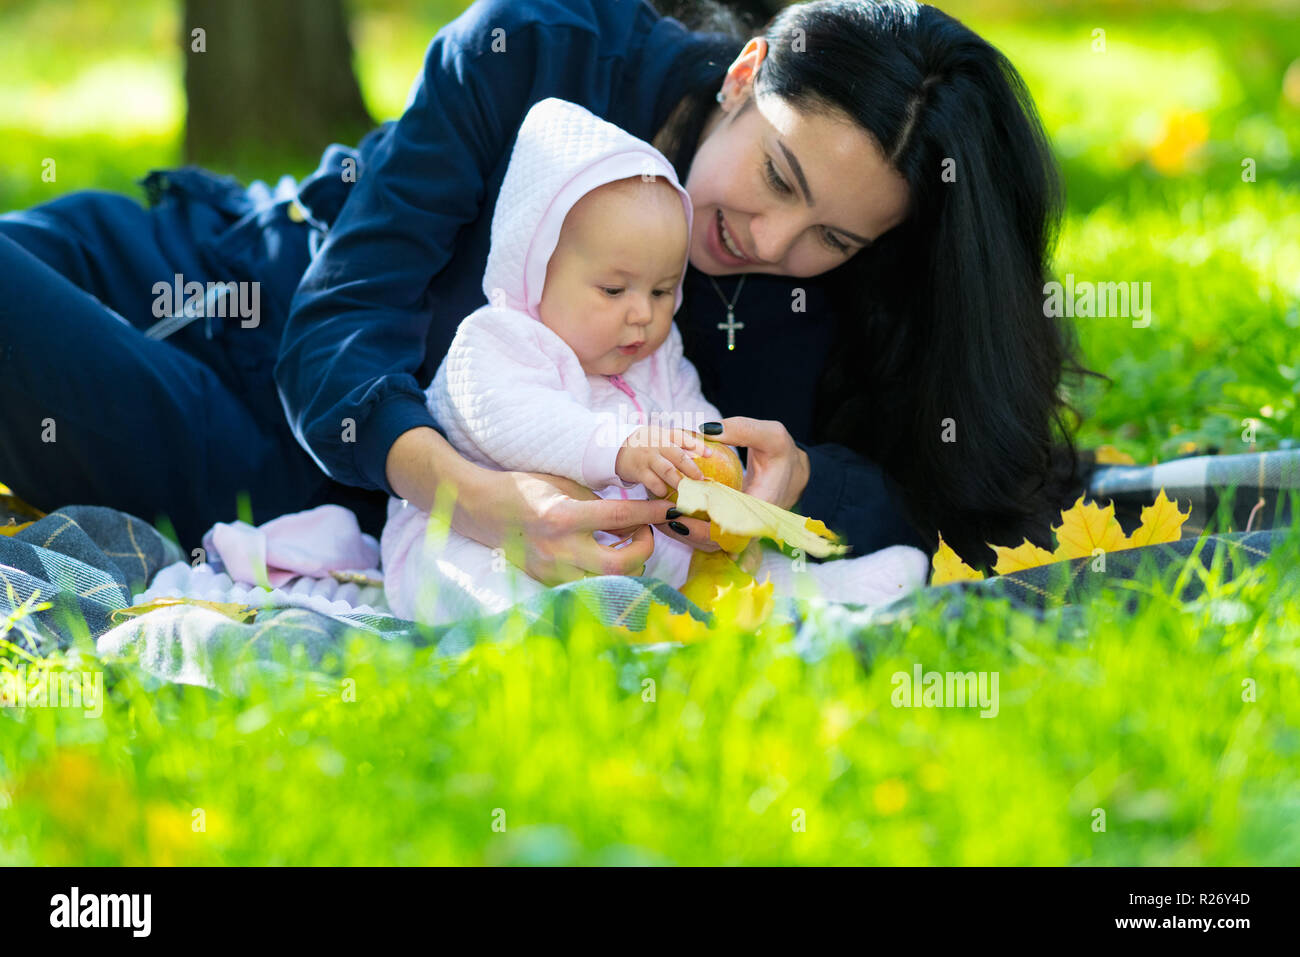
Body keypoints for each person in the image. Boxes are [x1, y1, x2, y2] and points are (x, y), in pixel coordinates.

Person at [0, 0, 1097, 581]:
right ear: (748, 72)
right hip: (193, 285)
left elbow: (945, 489)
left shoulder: (842, 284)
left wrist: (798, 487)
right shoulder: (535, 48)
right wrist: (474, 498)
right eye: (775, 176)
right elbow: (336, 329)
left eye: (832, 237)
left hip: (249, 459)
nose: (770, 239)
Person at [381, 97, 928, 623]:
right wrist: (617, 447)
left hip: (633, 547)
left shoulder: (655, 356)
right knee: (460, 570)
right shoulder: (499, 339)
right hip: (486, 534)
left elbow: (689, 412)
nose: (642, 314)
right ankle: (541, 625)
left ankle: (819, 593)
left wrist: (714, 474)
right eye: (615, 290)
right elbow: (506, 417)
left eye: (663, 291)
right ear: (536, 267)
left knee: (718, 562)